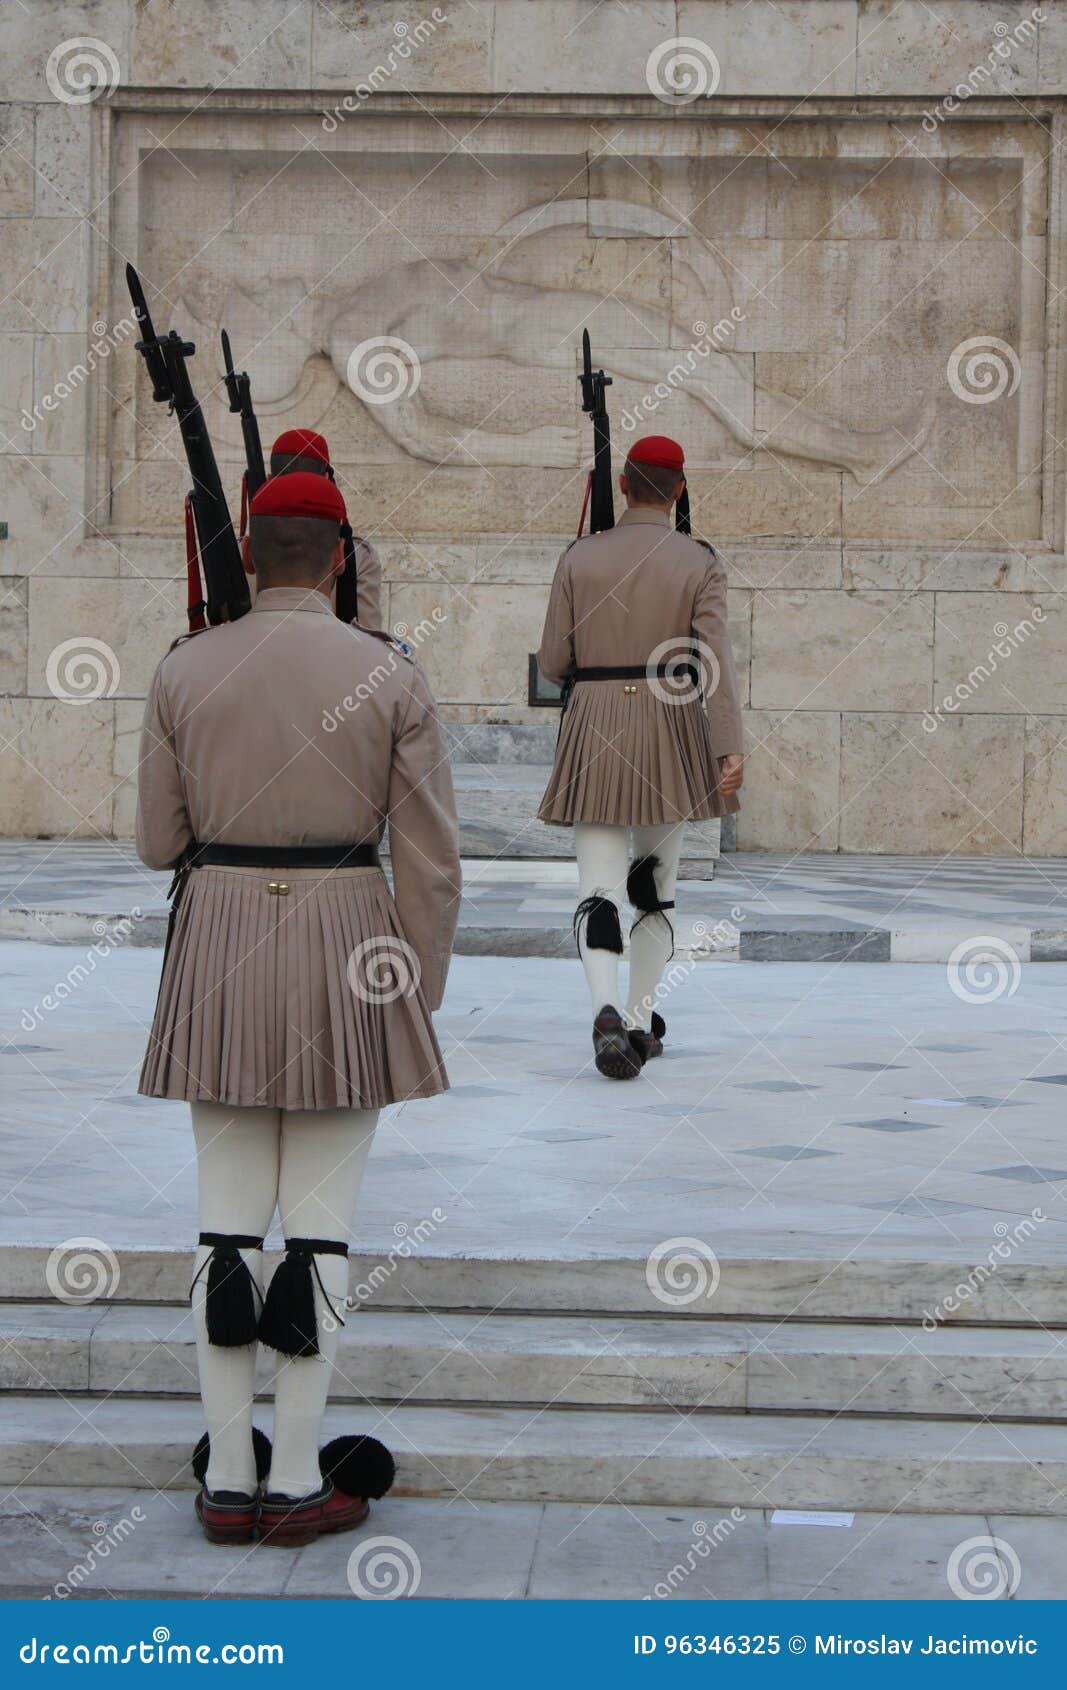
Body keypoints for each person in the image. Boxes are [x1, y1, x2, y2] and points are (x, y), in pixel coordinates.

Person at [136, 471, 460, 1545]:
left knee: (224, 1227)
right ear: (335, 558)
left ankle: (228, 1478)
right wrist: (410, 995)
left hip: (220, 938)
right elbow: (431, 865)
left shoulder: (185, 667)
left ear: (252, 552)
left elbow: (153, 844)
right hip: (344, 940)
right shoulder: (388, 674)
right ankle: (297, 1479)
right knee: (317, 1237)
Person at [537, 435, 743, 1080]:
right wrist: (728, 743)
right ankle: (638, 1020)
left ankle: (602, 1007)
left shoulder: (581, 556)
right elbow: (715, 661)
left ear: (622, 486)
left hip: (596, 719)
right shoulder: (698, 560)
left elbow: (552, 662)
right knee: (655, 892)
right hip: (669, 718)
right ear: (679, 490)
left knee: (596, 887)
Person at [241, 427, 383, 631]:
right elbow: (367, 633)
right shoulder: (360, 557)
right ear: (326, 479)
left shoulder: (240, 551)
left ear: (270, 479)